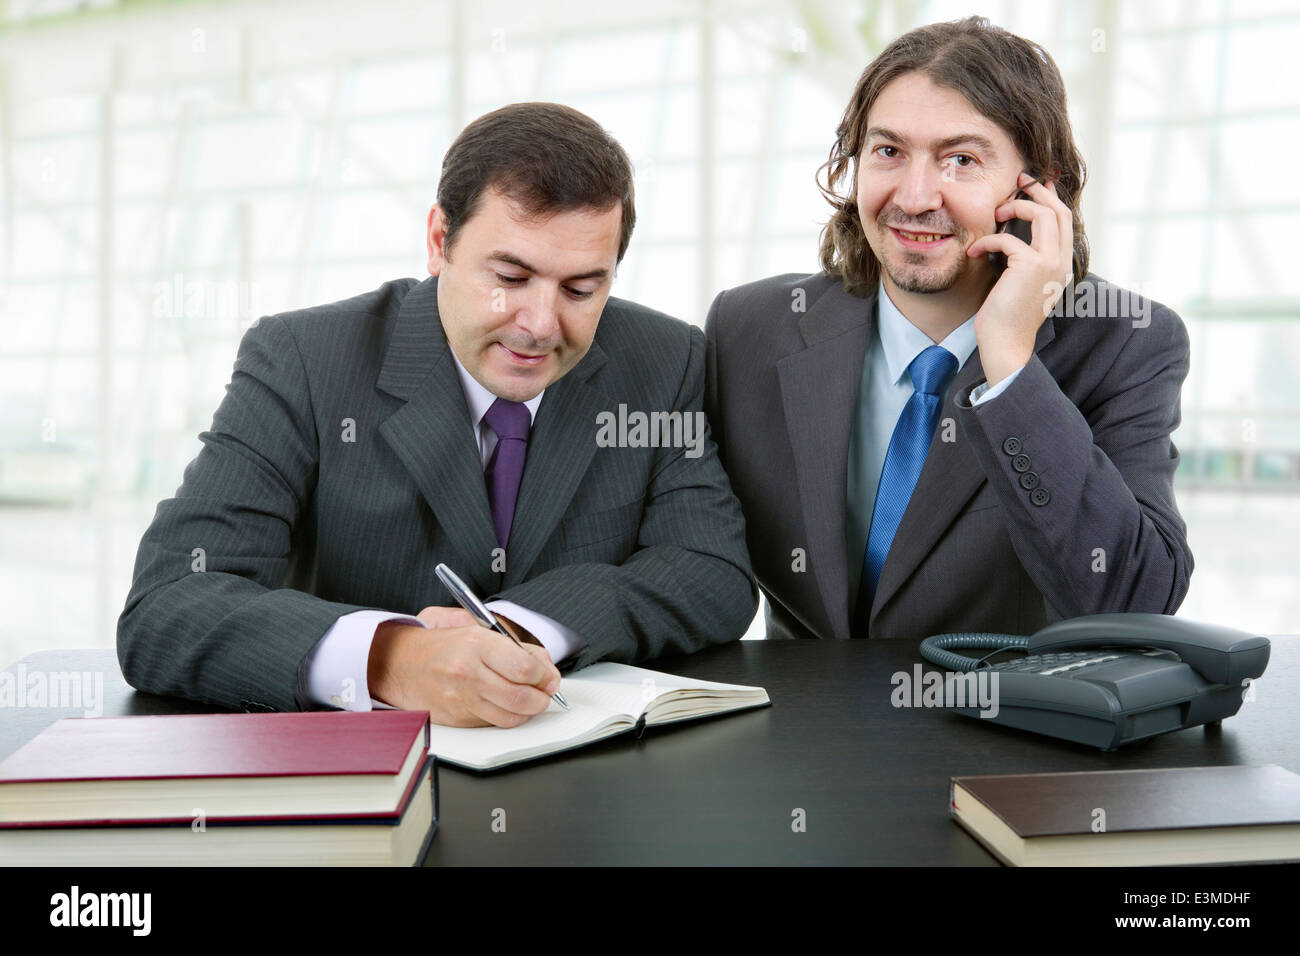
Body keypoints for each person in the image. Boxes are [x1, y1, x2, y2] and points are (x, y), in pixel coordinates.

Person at [118, 102, 756, 726]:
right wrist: (397, 658)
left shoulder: (665, 360)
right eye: (509, 275)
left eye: (580, 290)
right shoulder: (303, 361)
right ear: (437, 241)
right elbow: (170, 603)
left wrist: (515, 630)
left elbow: (711, 571)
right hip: (359, 787)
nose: (539, 324)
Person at [704, 17, 1192, 642]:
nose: (913, 195)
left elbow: (1132, 600)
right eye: (888, 152)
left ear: (1042, 191)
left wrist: (1011, 364)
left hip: (999, 727)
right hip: (803, 725)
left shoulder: (1126, 342)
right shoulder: (749, 328)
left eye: (960, 160)